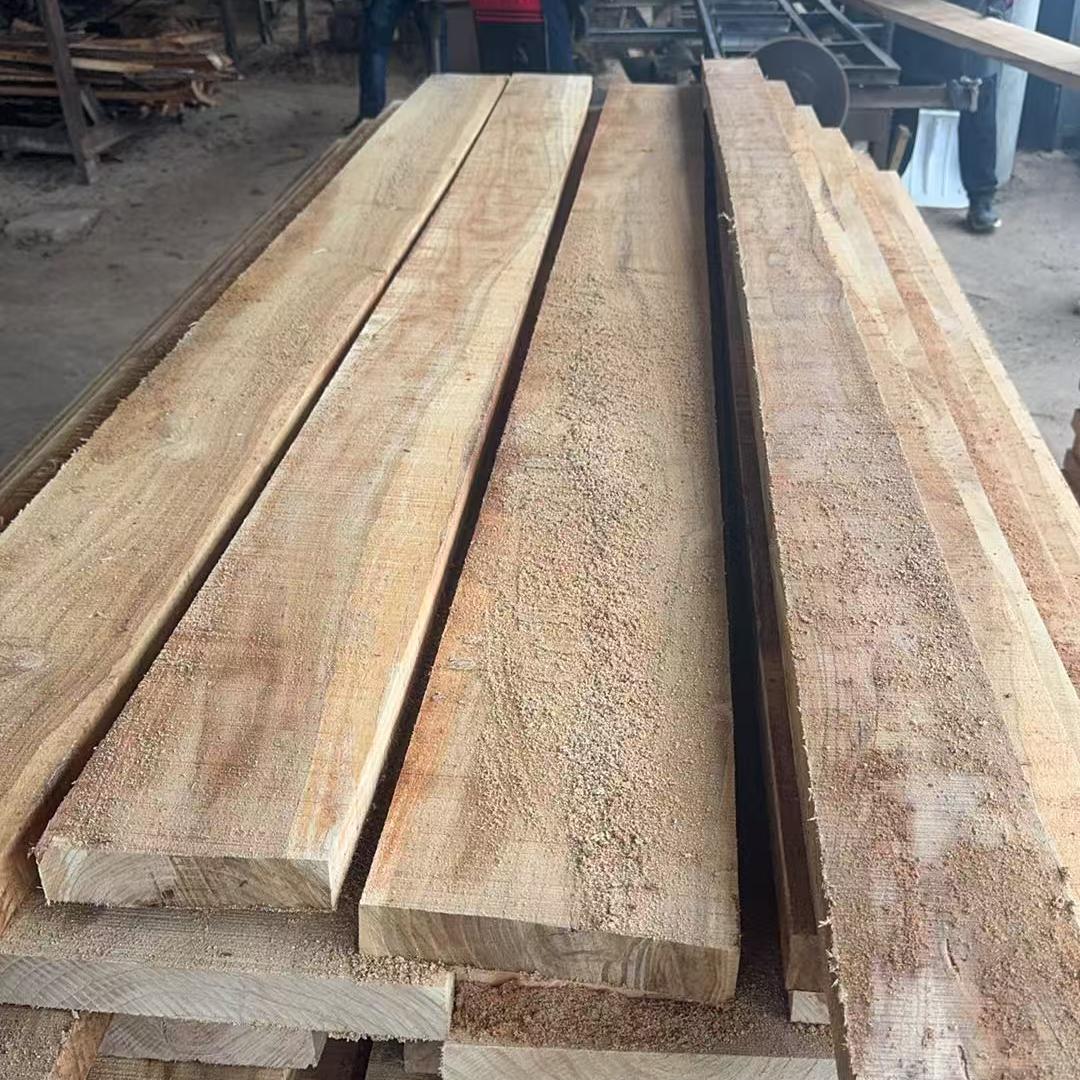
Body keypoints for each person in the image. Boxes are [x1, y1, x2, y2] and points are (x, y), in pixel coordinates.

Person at [891, 0, 1012, 234]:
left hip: (973, 22)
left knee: (980, 103)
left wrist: (997, 8)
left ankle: (981, 199)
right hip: (918, 21)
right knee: (903, 105)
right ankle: (885, 181)